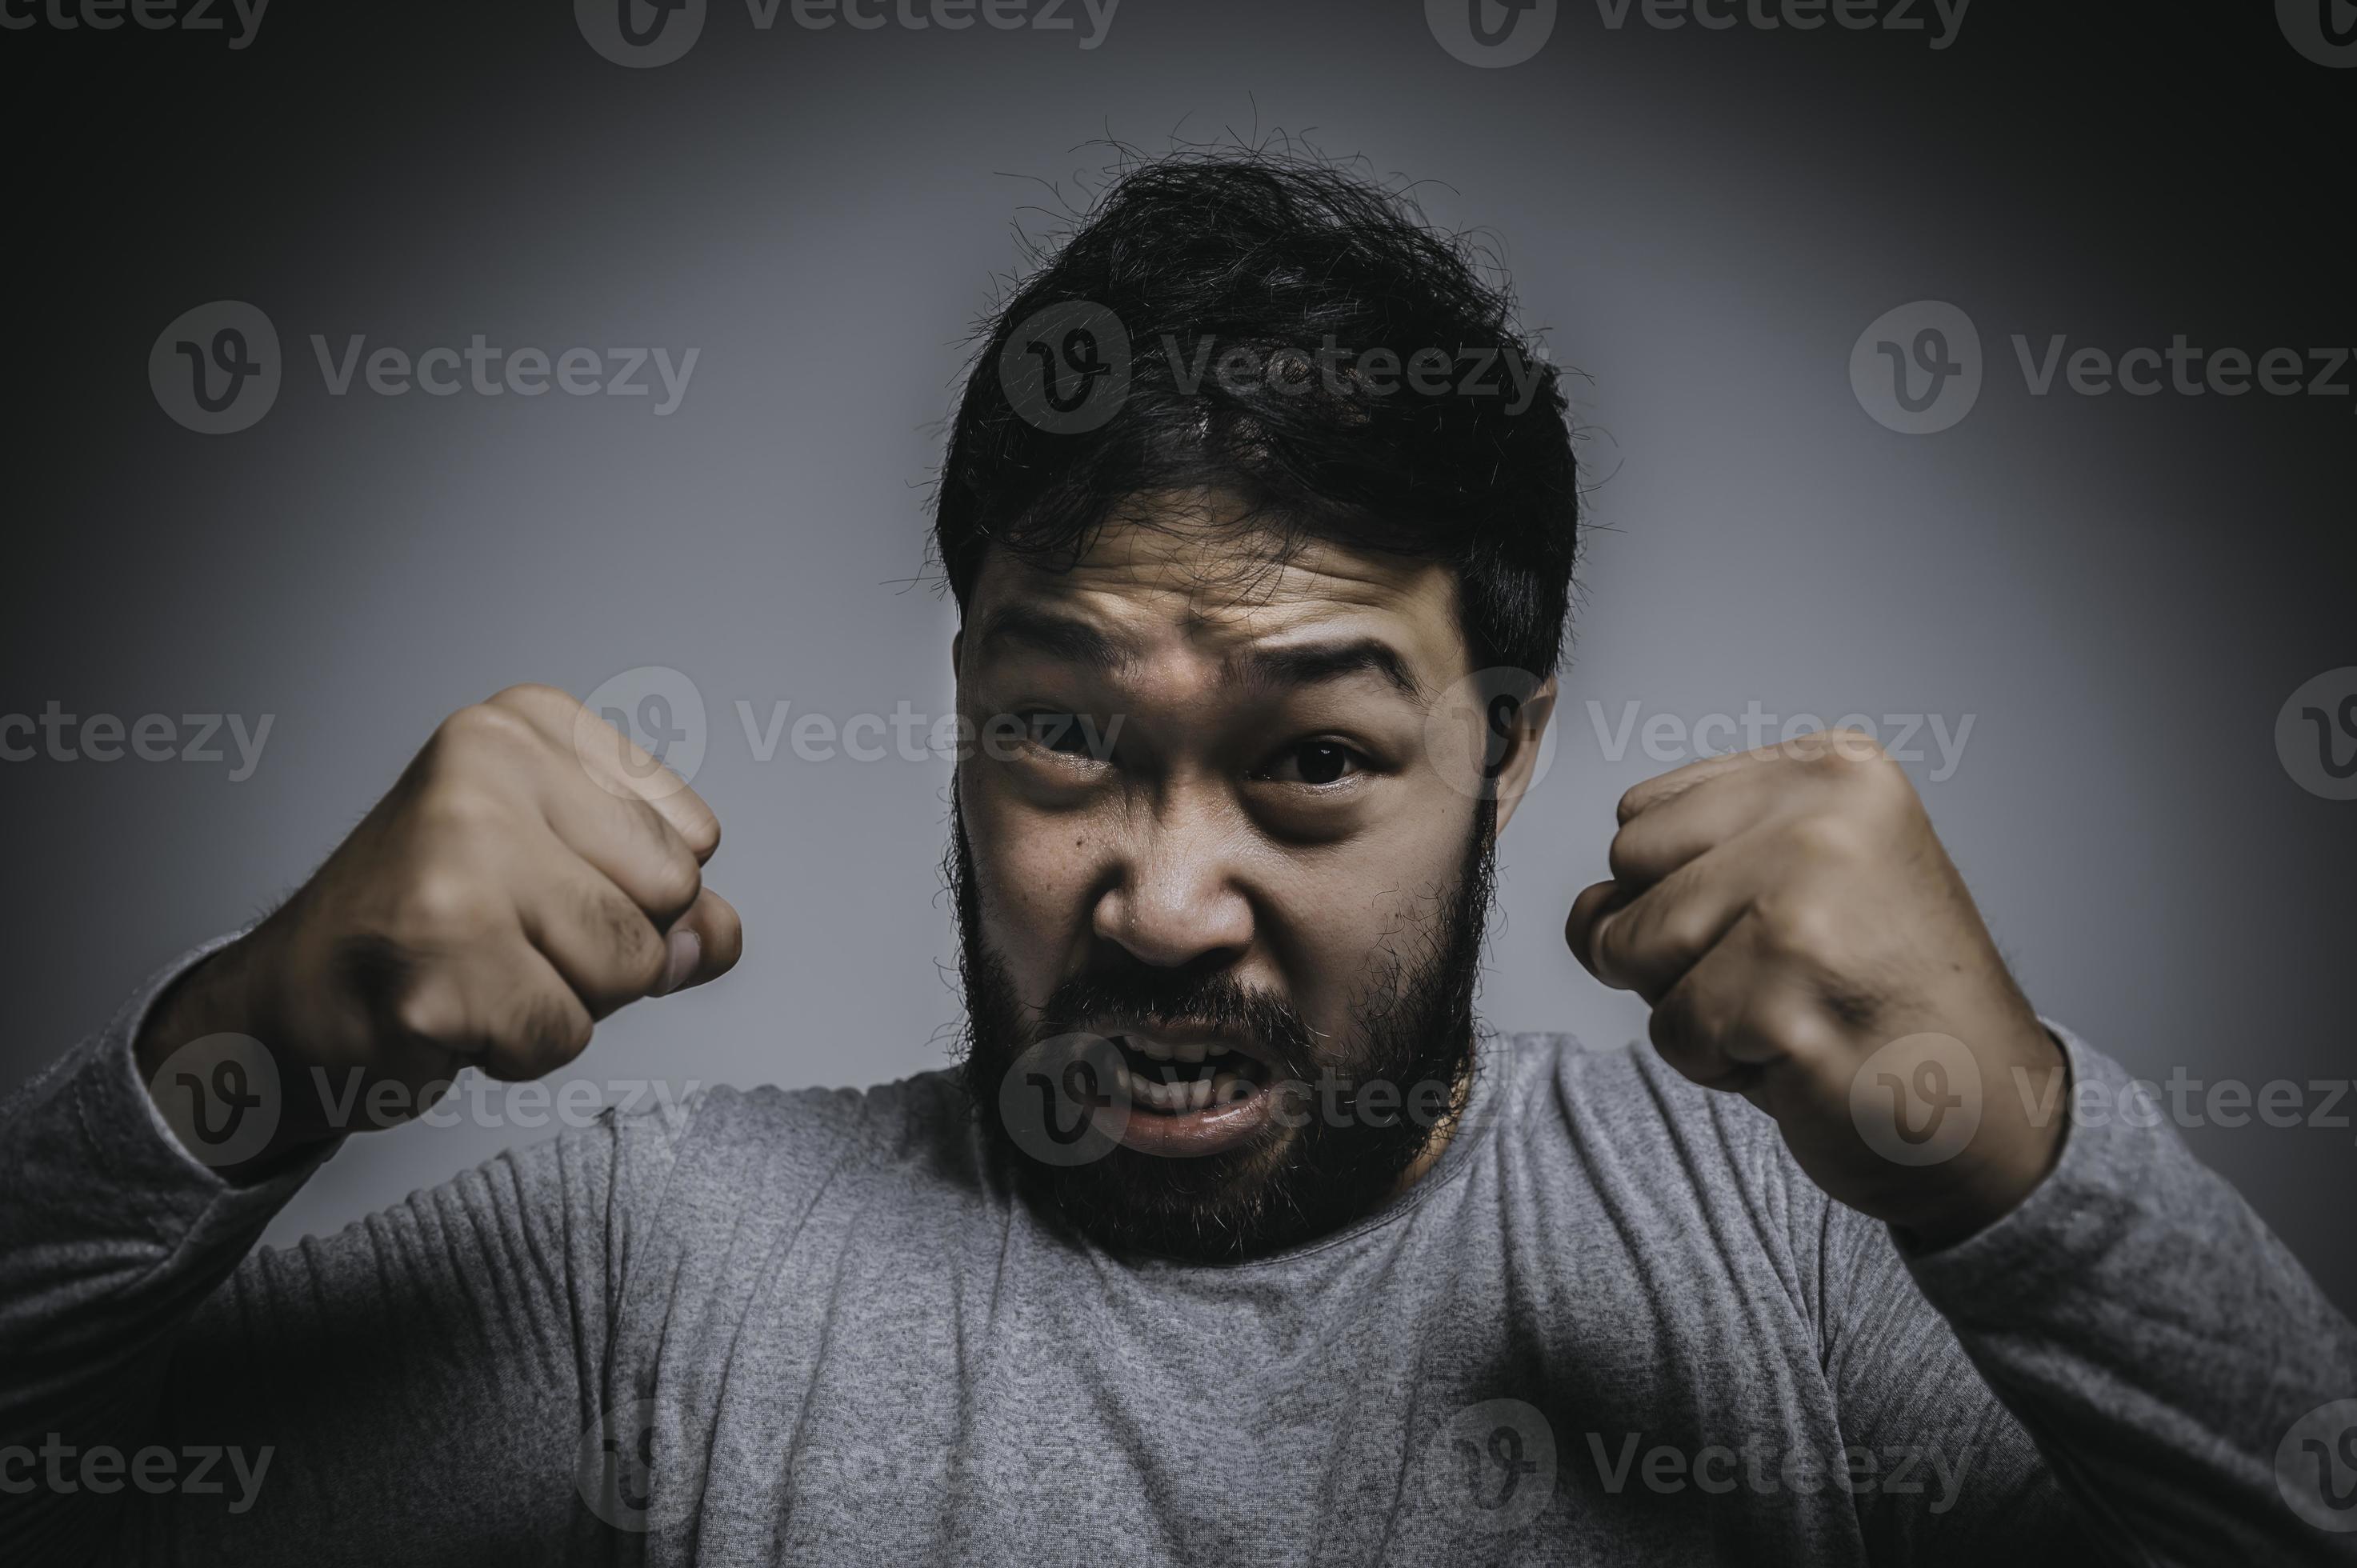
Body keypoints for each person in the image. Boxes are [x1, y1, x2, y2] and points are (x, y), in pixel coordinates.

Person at [4, 153, 2351, 1565]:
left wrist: (2017, 1169)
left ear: (1507, 755)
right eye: (1056, 736)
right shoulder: (663, 1274)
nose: (1156, 899)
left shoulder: (1795, 1249)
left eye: (1309, 762)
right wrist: (251, 1054)